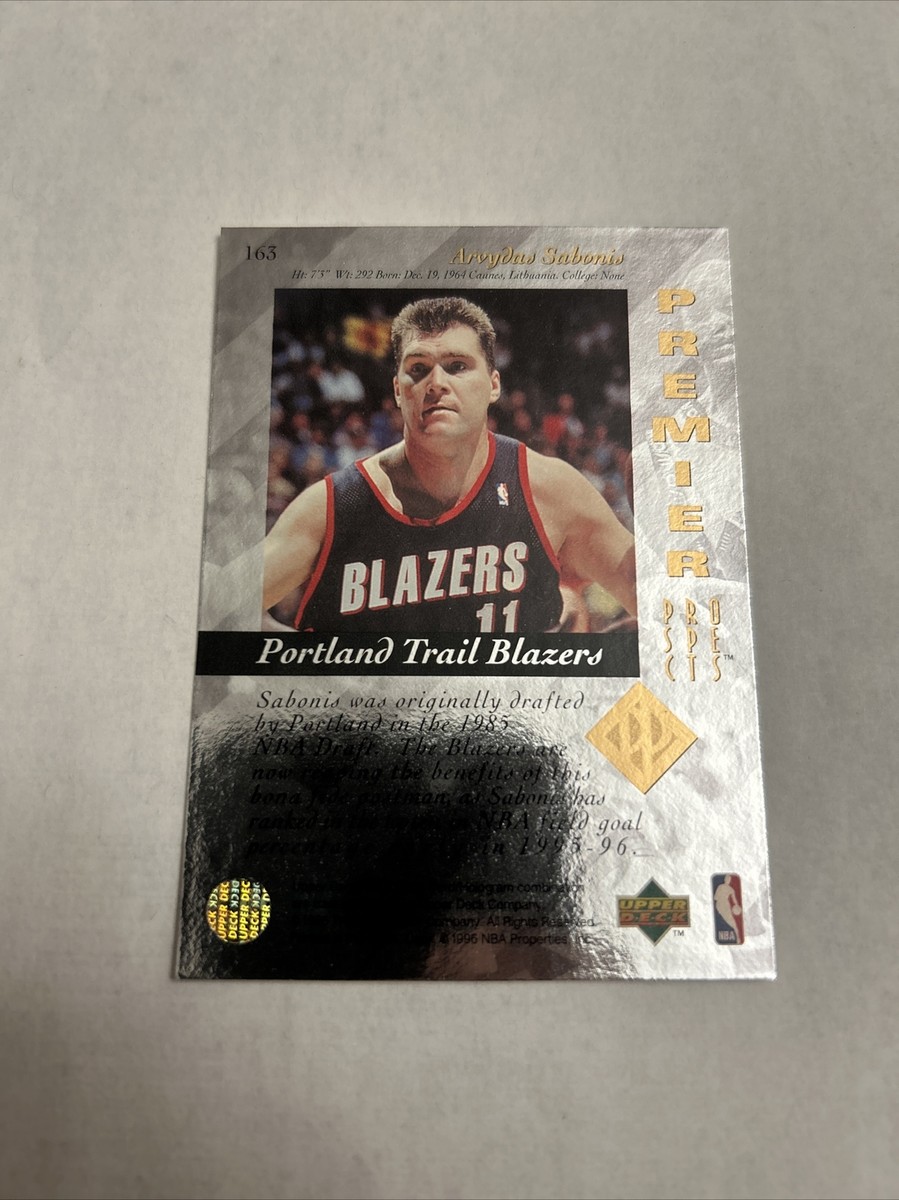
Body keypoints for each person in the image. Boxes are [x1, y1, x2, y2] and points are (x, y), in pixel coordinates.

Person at [263, 297, 636, 633]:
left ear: (493, 385)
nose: (436, 382)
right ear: (397, 390)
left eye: (457, 366)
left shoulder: (552, 490)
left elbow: (652, 600)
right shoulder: (331, 507)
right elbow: (228, 609)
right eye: (418, 368)